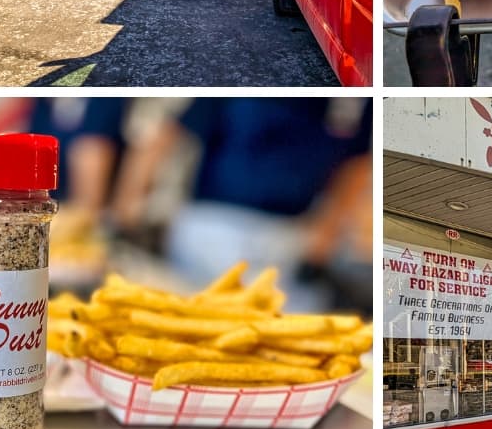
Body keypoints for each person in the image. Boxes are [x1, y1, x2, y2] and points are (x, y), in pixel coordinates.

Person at [111, 98, 371, 312]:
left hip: (289, 236)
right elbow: (173, 131)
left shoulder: (358, 101)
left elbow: (357, 161)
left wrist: (329, 227)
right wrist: (128, 202)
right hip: (209, 228)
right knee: (185, 315)